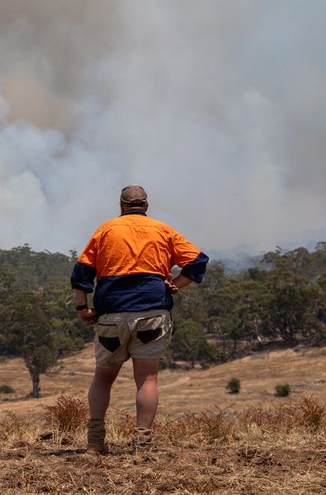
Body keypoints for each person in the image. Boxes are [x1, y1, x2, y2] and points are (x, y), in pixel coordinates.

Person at [70, 185, 208, 455]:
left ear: (121, 206)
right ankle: (142, 445)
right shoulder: (163, 230)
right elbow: (198, 260)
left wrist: (82, 308)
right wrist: (176, 284)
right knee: (147, 379)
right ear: (146, 206)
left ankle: (95, 443)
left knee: (103, 378)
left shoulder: (106, 229)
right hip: (152, 315)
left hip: (112, 316)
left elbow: (82, 271)